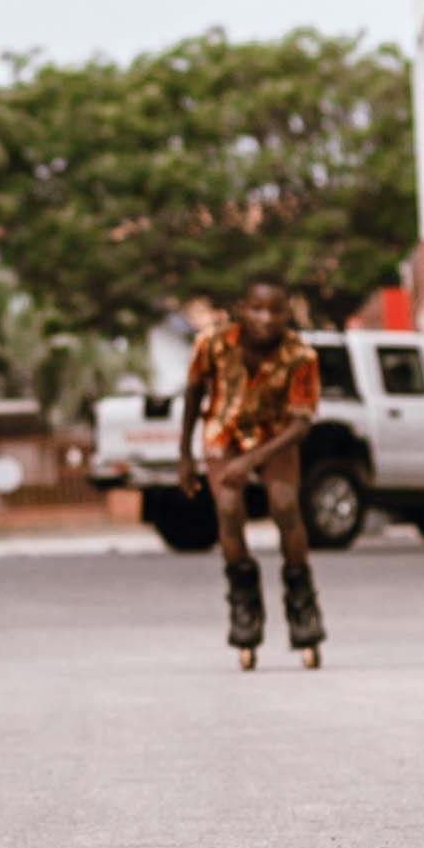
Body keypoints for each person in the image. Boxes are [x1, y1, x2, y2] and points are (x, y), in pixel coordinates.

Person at [177, 279, 325, 664]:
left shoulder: (301, 355)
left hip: (275, 435)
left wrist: (251, 461)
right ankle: (244, 603)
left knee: (285, 504)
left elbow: (301, 425)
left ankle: (302, 604)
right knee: (227, 509)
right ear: (242, 308)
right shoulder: (212, 343)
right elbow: (193, 393)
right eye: (257, 309)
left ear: (286, 314)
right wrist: (184, 455)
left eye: (275, 311)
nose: (266, 318)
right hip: (223, 433)